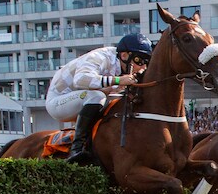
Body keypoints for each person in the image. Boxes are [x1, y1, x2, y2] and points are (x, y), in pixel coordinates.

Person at [45, 33, 153, 163]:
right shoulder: (100, 57)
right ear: (124, 55)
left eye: (146, 62)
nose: (143, 67)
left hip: (82, 98)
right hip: (58, 101)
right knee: (97, 96)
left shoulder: (121, 64)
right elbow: (80, 80)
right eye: (139, 61)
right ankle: (77, 149)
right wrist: (118, 80)